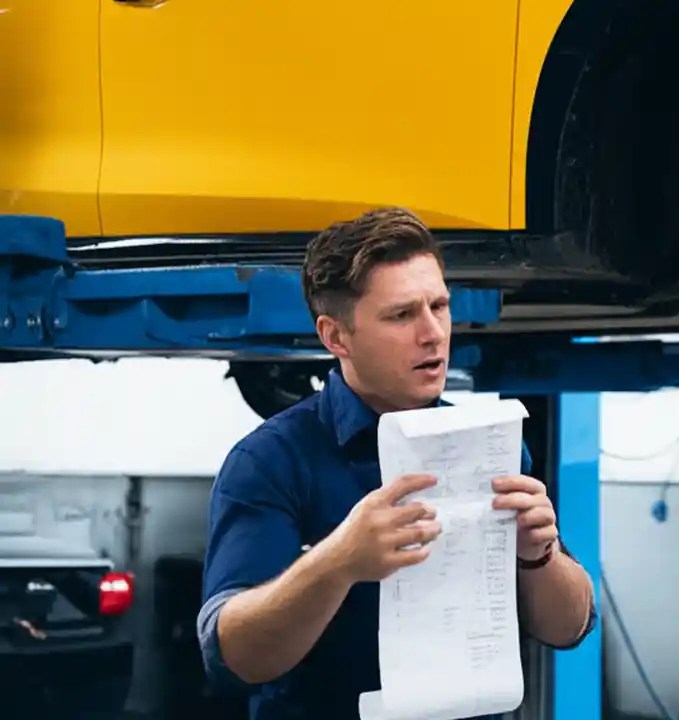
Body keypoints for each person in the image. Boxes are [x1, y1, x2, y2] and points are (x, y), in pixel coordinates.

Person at [197, 207, 598, 719]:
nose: (433, 333)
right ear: (335, 336)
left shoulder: (490, 445)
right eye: (402, 315)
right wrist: (338, 561)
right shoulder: (271, 462)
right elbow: (233, 655)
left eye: (439, 306)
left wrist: (537, 556)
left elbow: (569, 628)